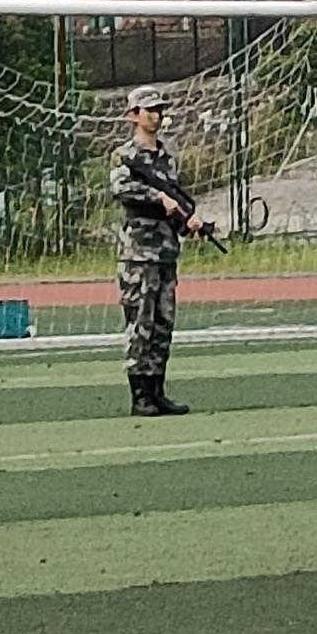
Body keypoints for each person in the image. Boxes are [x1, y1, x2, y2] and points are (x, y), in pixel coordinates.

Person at [110, 84, 209, 418]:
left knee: (163, 324)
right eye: (149, 109)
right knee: (141, 324)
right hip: (138, 254)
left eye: (159, 109)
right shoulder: (126, 155)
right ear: (133, 115)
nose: (156, 115)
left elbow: (176, 201)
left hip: (166, 251)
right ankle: (140, 395)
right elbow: (121, 188)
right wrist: (158, 199)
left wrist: (188, 221)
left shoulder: (166, 158)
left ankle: (157, 389)